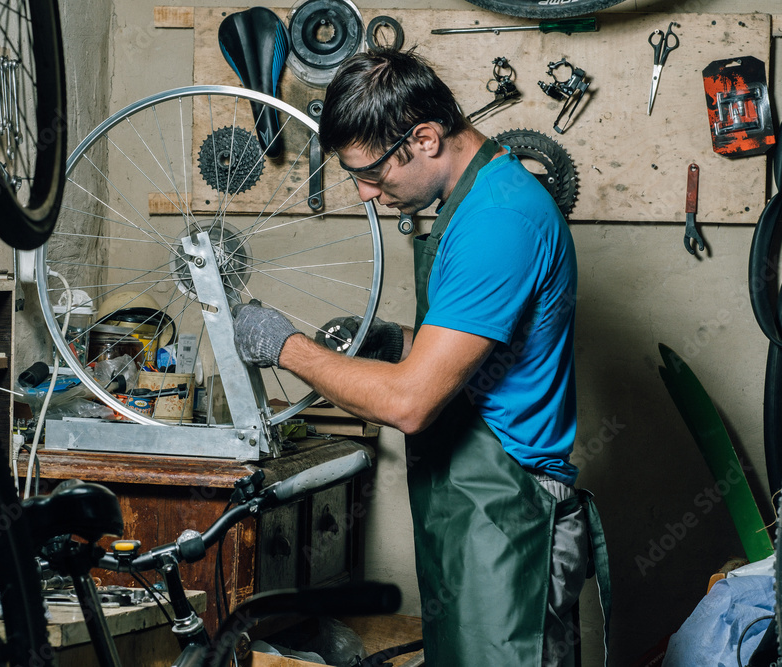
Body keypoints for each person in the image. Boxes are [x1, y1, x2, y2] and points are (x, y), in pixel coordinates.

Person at [233, 48, 608, 666]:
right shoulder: (481, 197)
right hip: (475, 512)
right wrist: (391, 341)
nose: (366, 194)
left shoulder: (498, 221)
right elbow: (474, 354)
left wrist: (286, 347)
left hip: (509, 520)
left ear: (426, 139)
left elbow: (410, 403)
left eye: (372, 175)